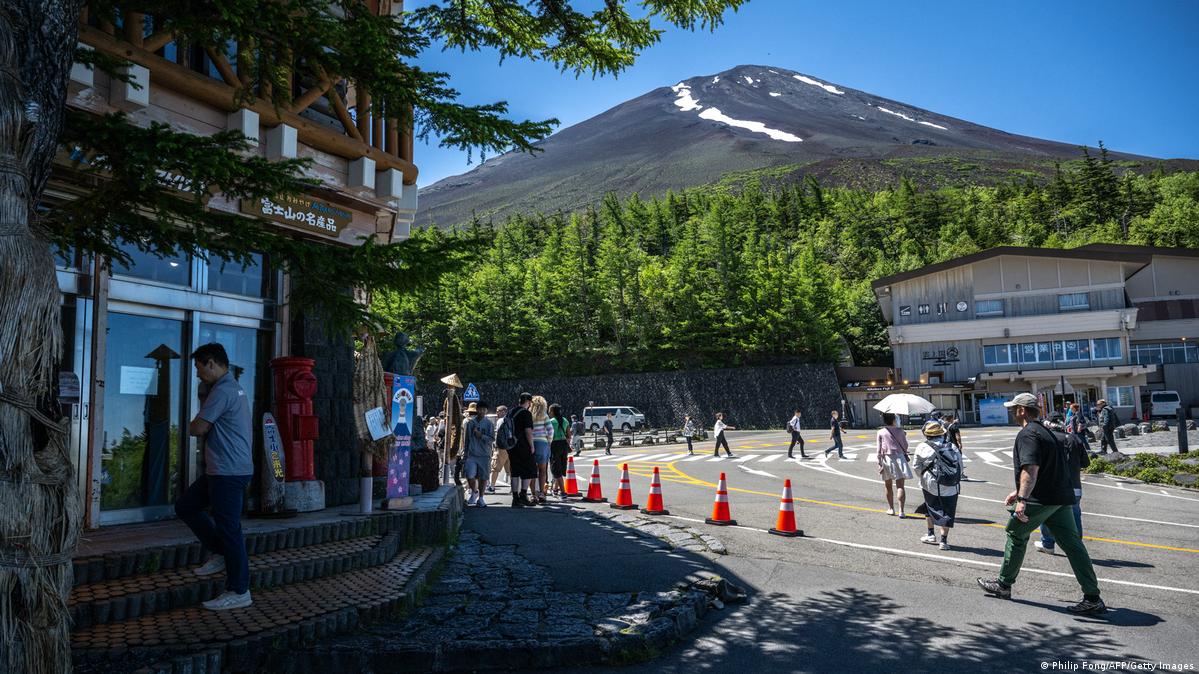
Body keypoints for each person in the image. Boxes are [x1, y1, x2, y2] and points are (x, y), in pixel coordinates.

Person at [976, 393, 1104, 615]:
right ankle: (1092, 596)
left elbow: (1031, 468)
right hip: (1061, 498)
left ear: (1022, 411)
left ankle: (1004, 585)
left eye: (1014, 408)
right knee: (1073, 545)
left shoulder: (1028, 434)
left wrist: (1022, 499)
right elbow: (1048, 468)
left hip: (1040, 499)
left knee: (1016, 535)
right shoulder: (1048, 432)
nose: (1012, 412)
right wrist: (1018, 490)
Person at [176, 343, 254, 611]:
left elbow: (198, 428)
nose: (197, 374)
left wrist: (188, 425)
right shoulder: (234, 387)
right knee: (186, 506)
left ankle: (239, 590)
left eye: (198, 367)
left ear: (211, 363)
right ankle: (220, 552)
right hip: (222, 469)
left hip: (228, 472)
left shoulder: (222, 391)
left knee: (230, 530)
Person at [1035, 415, 1090, 555]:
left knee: (1046, 514)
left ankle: (1048, 543)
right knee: (1075, 515)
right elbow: (1085, 463)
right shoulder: (1074, 439)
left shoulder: (1046, 439)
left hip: (1053, 485)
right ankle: (1076, 547)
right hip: (1074, 486)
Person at [912, 420, 961, 549]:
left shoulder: (922, 447)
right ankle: (943, 541)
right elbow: (960, 465)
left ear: (927, 435)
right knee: (947, 511)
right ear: (941, 433)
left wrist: (923, 477)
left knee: (929, 507)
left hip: (931, 484)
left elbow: (916, 467)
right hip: (951, 485)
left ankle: (931, 534)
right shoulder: (952, 446)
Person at [876, 412, 913, 516]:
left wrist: (879, 463)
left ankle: (891, 509)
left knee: (888, 485)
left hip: (886, 458)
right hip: (899, 458)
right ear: (894, 420)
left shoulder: (881, 432)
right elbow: (905, 446)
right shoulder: (900, 431)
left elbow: (879, 449)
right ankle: (901, 511)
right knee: (900, 486)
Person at [508, 393, 538, 507]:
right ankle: (523, 495)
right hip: (523, 445)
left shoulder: (511, 412)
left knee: (515, 472)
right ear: (529, 402)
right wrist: (532, 446)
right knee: (530, 470)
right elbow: (528, 431)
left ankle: (515, 499)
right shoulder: (526, 413)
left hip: (511, 446)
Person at [463, 402, 494, 507]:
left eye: (484, 409)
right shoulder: (470, 423)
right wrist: (464, 454)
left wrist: (481, 436)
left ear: (486, 411)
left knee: (483, 477)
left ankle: (481, 498)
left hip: (485, 454)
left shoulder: (489, 424)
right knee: (469, 475)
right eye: (480, 409)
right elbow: (466, 440)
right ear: (477, 410)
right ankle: (474, 491)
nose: (482, 411)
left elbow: (492, 439)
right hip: (472, 454)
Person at [531, 395, 552, 504]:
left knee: (532, 471)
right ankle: (542, 494)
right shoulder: (545, 416)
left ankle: (533, 495)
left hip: (531, 444)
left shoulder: (529, 416)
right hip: (543, 443)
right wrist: (549, 441)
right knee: (542, 471)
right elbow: (550, 430)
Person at [548, 404, 571, 500]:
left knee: (555, 468)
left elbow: (549, 436)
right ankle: (555, 490)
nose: (549, 413)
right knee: (560, 468)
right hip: (564, 445)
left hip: (555, 445)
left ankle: (563, 492)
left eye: (549, 411)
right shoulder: (565, 420)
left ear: (552, 411)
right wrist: (568, 444)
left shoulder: (551, 421)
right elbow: (569, 435)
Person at [487, 405, 510, 493]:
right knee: (511, 469)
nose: (497, 413)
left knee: (495, 467)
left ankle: (491, 486)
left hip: (501, 447)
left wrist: (495, 445)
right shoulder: (511, 420)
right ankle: (514, 489)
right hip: (510, 447)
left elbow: (498, 435)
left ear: (504, 411)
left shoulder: (501, 420)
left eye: (499, 411)